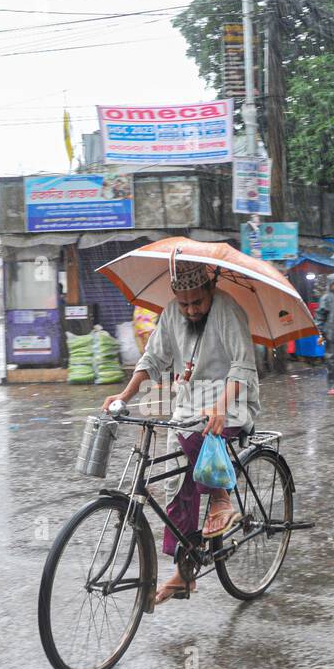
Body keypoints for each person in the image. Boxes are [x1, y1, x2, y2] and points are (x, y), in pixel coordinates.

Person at [102, 257, 259, 604]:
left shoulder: (228, 310)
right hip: (190, 406)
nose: (190, 309)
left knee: (196, 436)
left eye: (197, 302)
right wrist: (125, 395)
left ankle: (220, 497)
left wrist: (219, 407)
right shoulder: (173, 313)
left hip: (231, 400)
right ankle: (185, 574)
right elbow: (153, 359)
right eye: (184, 302)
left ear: (210, 288)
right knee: (177, 486)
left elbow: (243, 365)